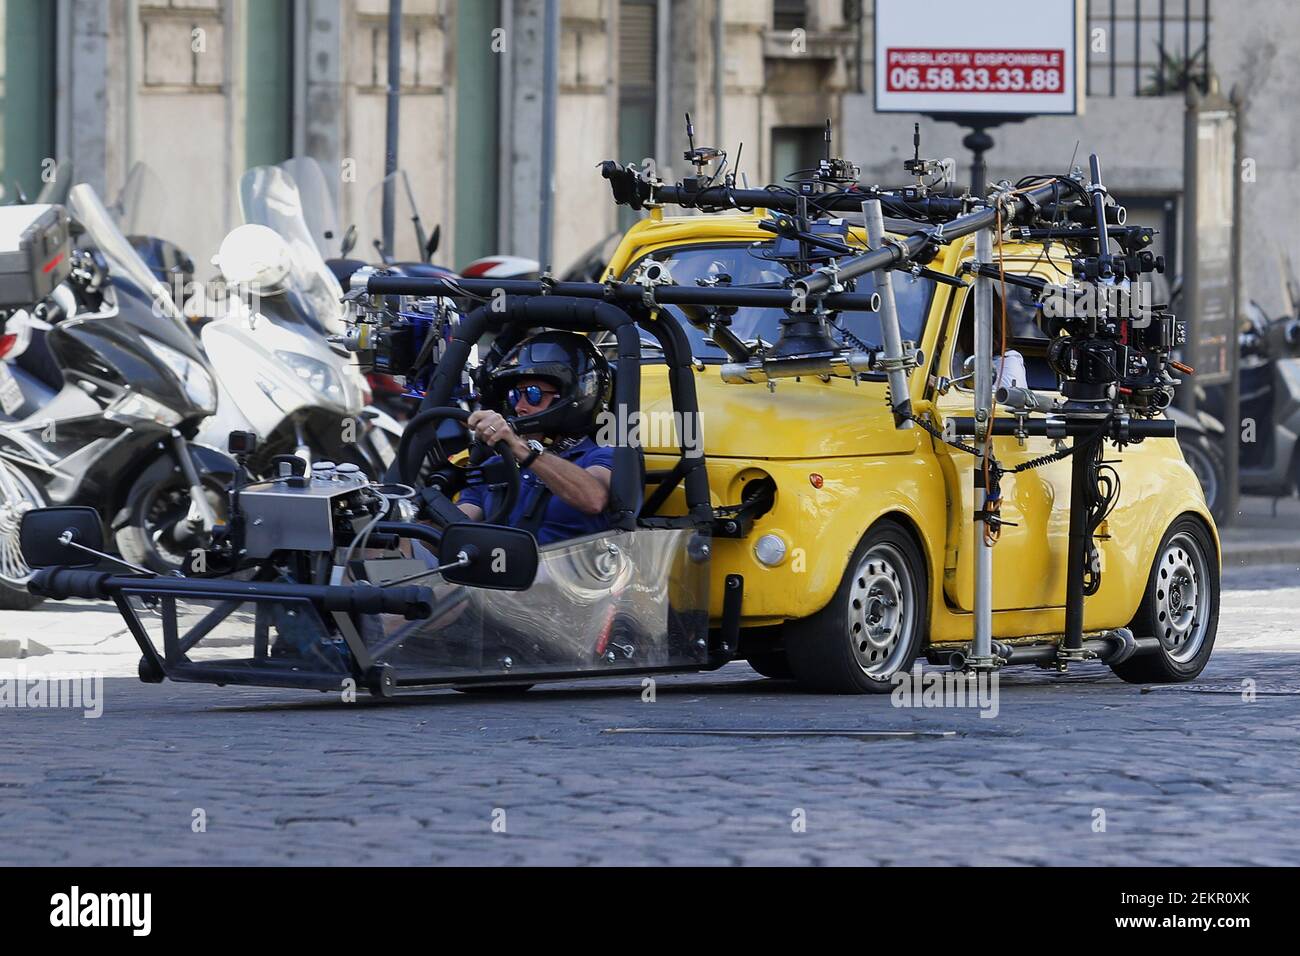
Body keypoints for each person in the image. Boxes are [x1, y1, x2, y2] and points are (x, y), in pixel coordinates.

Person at [457, 330, 616, 545]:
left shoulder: (603, 456)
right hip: (494, 573)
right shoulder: (496, 464)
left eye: (533, 394)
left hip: (572, 575)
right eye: (515, 395)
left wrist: (521, 449)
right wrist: (424, 511)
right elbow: (457, 527)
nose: (520, 407)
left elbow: (594, 499)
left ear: (575, 396)